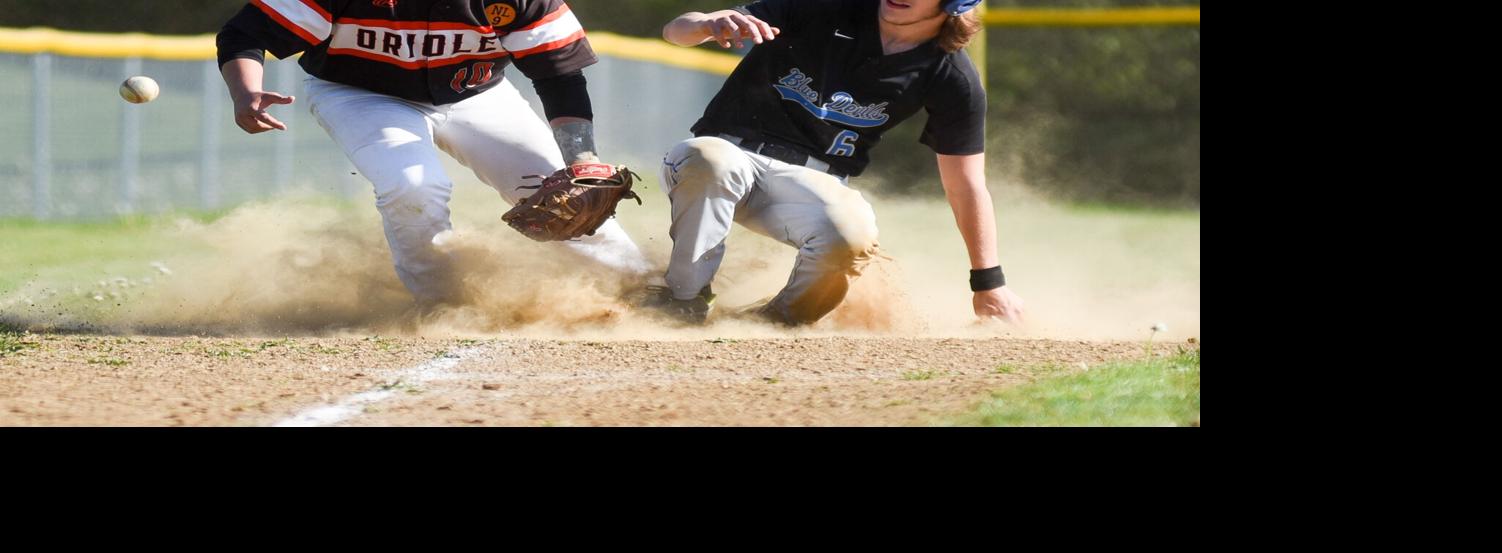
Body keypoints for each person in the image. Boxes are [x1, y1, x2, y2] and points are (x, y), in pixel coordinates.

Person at [216, 0, 645, 302]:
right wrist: (245, 92)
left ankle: (638, 286)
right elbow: (244, 34)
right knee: (413, 187)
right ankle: (441, 301)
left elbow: (560, 75)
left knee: (561, 189)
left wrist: (582, 159)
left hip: (478, 95)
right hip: (360, 94)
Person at [643, 0, 1024, 325]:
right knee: (710, 161)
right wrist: (709, 24)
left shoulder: (951, 75)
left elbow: (966, 184)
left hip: (810, 184)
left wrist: (989, 282)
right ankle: (681, 302)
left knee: (852, 235)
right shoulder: (824, 5)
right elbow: (675, 30)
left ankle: (776, 325)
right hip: (727, 155)